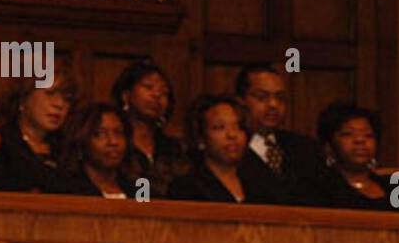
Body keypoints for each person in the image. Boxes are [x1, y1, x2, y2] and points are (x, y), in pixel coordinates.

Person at [235, 63, 325, 205]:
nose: (273, 105)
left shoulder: (305, 147)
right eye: (262, 97)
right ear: (241, 101)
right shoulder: (231, 147)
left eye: (280, 98)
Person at [168, 94, 279, 203]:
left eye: (238, 127)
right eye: (220, 127)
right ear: (201, 138)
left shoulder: (261, 182)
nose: (232, 135)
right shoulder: (185, 188)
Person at [312, 101, 399, 212]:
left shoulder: (396, 186)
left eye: (368, 135)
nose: (360, 140)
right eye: (348, 133)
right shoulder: (318, 188)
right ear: (328, 146)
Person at [110, 60, 186, 198]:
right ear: (126, 95)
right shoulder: (114, 143)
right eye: (148, 87)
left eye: (164, 92)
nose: (156, 95)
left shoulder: (174, 149)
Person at [0, 75, 79, 192]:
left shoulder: (69, 148)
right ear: (23, 98)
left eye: (67, 99)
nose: (59, 104)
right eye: (50, 93)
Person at [52, 103, 138, 198]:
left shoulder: (139, 190)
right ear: (81, 140)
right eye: (100, 134)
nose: (113, 141)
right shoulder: (65, 190)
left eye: (118, 133)